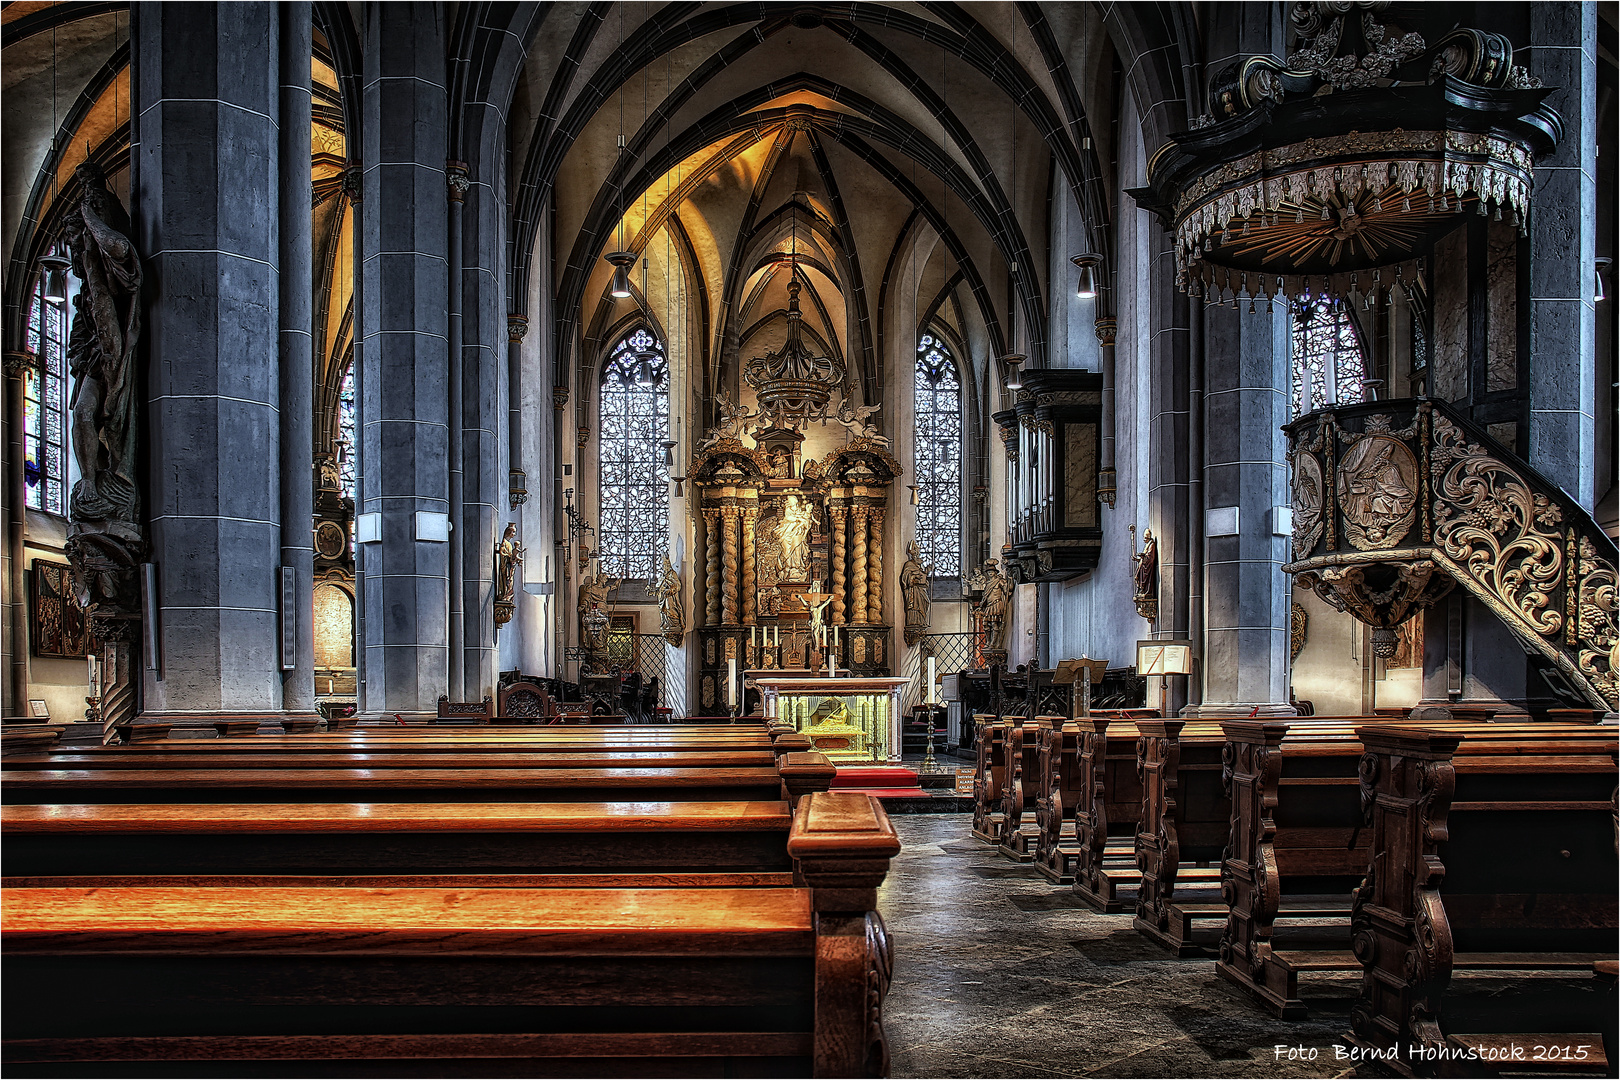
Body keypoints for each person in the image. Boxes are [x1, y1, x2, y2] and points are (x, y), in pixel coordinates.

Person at [975, 559, 1013, 649]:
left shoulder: (999, 581)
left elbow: (1008, 590)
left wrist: (1010, 580)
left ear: (995, 572)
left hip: (996, 604)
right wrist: (981, 605)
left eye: (992, 571)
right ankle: (988, 642)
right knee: (985, 624)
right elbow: (985, 596)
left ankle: (993, 643)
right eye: (989, 572)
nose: (990, 573)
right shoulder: (988, 583)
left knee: (994, 624)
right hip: (988, 606)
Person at [899, 540, 930, 641]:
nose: (918, 553)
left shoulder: (919, 565)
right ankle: (914, 622)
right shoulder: (909, 564)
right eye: (916, 550)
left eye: (918, 551)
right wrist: (914, 578)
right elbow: (905, 577)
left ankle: (921, 622)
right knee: (915, 606)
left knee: (926, 602)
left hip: (920, 589)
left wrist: (926, 573)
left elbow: (923, 577)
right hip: (913, 590)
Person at [777, 495, 813, 578]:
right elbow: (788, 518)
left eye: (792, 501)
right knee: (787, 550)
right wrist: (799, 519)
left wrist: (807, 512)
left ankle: (797, 565)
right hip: (788, 531)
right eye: (790, 501)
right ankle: (788, 565)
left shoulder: (799, 510)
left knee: (797, 547)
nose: (791, 502)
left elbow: (807, 518)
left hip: (797, 532)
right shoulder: (788, 509)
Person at [495, 523, 524, 604]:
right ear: (508, 532)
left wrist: (514, 558)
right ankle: (504, 595)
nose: (514, 534)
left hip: (510, 566)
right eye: (513, 532)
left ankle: (507, 595)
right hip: (505, 566)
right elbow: (502, 552)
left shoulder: (509, 544)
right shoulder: (504, 542)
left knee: (510, 581)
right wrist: (509, 557)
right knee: (506, 581)